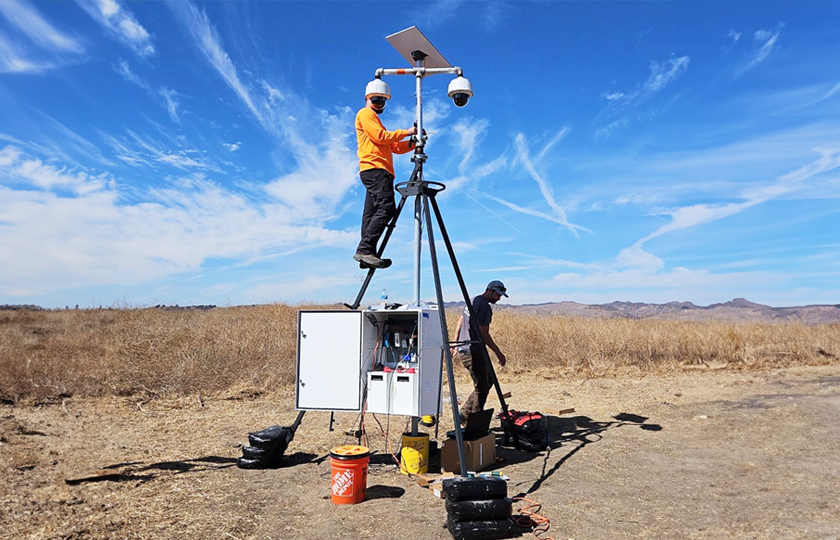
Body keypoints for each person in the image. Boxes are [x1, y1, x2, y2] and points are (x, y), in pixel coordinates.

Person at [353, 78, 417, 269]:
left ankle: (367, 253)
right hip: (376, 170)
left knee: (371, 213)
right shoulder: (365, 114)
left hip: (375, 170)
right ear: (367, 98)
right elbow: (381, 137)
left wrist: (414, 142)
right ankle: (365, 249)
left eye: (382, 100)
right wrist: (407, 131)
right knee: (386, 208)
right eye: (376, 100)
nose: (379, 104)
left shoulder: (374, 120)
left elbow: (394, 146)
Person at [453, 280, 509, 424]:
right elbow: (484, 334)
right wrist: (498, 353)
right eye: (497, 294)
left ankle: (464, 413)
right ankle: (473, 422)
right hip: (473, 352)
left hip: (465, 349)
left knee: (488, 380)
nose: (499, 298)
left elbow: (460, 321)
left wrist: (455, 343)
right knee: (482, 389)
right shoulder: (484, 307)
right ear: (489, 290)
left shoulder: (472, 300)